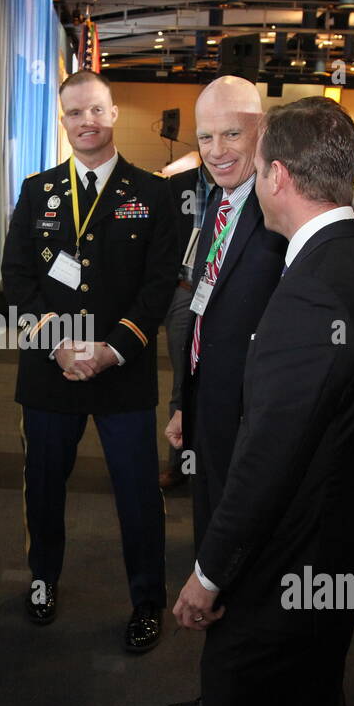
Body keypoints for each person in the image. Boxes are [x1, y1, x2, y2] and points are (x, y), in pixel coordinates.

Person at [172, 96, 354, 706]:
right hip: (345, 553)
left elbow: (268, 460)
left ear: (276, 176)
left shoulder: (310, 291)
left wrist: (208, 574)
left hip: (288, 571)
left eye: (252, 163)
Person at [0, 69, 177, 652]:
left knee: (137, 494)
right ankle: (43, 579)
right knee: (44, 486)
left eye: (97, 110)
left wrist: (112, 349)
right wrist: (57, 341)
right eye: (75, 113)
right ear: (63, 119)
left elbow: (157, 288)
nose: (87, 122)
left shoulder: (153, 193)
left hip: (121, 370)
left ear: (115, 112)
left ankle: (147, 599)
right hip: (52, 370)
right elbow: (17, 279)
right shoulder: (37, 190)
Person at [159, 75, 287, 706]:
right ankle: (218, 697)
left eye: (230, 134)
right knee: (214, 559)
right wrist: (184, 399)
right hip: (210, 419)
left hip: (253, 431)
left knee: (239, 572)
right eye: (205, 137)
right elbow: (199, 315)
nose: (215, 149)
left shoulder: (278, 212)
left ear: (261, 131)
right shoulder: (215, 205)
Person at [158, 153, 213, 493]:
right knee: (183, 380)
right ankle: (178, 466)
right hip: (184, 290)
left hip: (226, 295)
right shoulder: (178, 186)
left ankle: (216, 465)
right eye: (208, 137)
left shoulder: (250, 185)